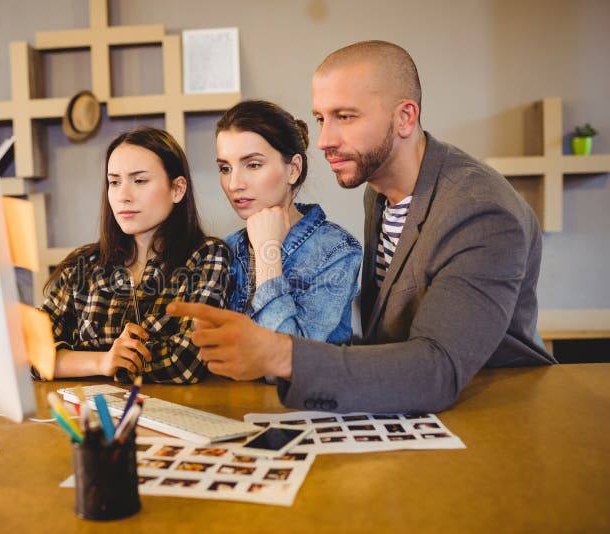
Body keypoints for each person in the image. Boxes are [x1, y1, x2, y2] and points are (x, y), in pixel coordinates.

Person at [168, 40, 556, 413]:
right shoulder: (380, 192)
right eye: (321, 118)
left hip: (489, 412)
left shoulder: (480, 212)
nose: (323, 141)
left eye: (345, 117)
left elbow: (438, 369)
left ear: (405, 117)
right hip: (401, 407)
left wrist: (277, 352)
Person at [39, 127, 231, 384]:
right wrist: (103, 361)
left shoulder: (206, 257)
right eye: (114, 182)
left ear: (177, 189)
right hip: (90, 416)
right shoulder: (84, 266)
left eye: (139, 181)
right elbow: (31, 349)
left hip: (174, 417)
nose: (123, 196)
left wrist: (73, 361)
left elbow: (186, 360)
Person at [216, 100, 362, 347]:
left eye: (253, 164)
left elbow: (289, 362)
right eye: (225, 168)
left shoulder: (337, 251)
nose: (234, 184)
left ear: (293, 169)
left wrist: (267, 254)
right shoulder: (224, 249)